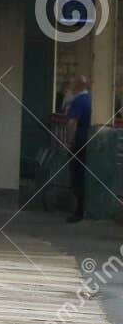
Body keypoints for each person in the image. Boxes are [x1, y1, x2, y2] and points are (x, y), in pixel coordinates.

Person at [65, 74, 92, 223]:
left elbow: (72, 123)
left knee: (77, 177)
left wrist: (69, 141)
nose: (68, 88)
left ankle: (79, 211)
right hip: (88, 142)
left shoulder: (78, 101)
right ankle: (81, 210)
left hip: (79, 143)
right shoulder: (90, 99)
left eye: (71, 85)